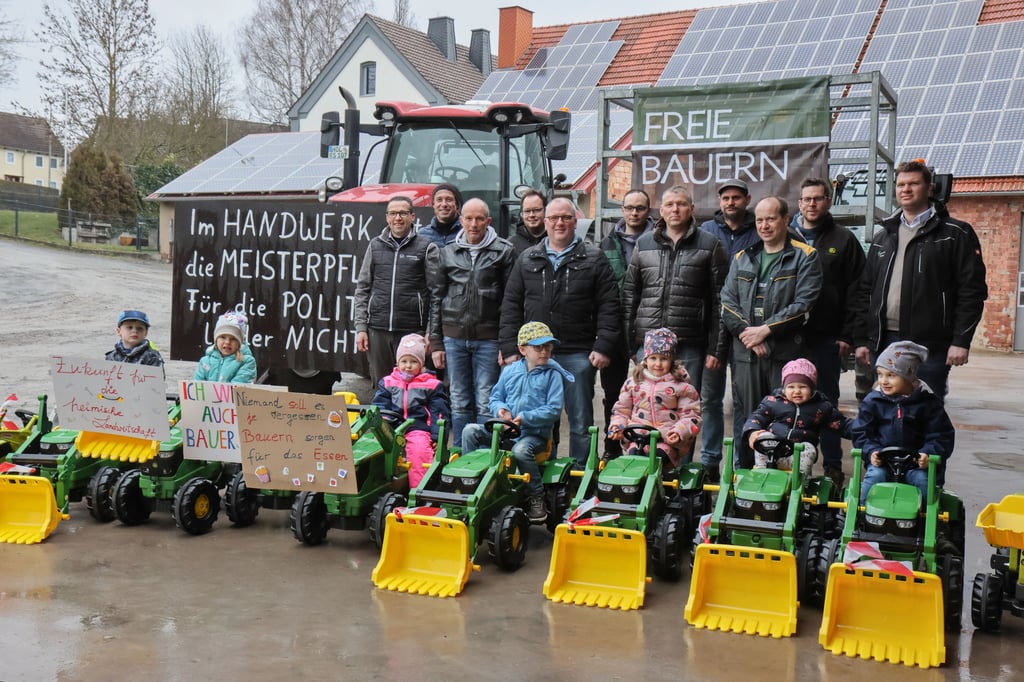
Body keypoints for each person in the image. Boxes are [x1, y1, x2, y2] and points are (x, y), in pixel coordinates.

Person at [500, 197, 620, 467]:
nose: (559, 223)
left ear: (575, 222)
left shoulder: (594, 258)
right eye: (553, 218)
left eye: (566, 217)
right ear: (545, 222)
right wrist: (509, 347)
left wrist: (603, 346)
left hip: (577, 353)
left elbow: (610, 305)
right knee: (540, 419)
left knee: (580, 420)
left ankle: (580, 473)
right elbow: (510, 304)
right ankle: (544, 468)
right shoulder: (527, 258)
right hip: (535, 356)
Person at [853, 159, 987, 402]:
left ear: (929, 188)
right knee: (884, 415)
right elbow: (866, 291)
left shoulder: (955, 234)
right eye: (901, 184)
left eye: (913, 183)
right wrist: (862, 340)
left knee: (926, 414)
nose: (906, 189)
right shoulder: (883, 237)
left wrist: (961, 341)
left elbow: (972, 291)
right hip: (884, 340)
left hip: (931, 346)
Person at [720, 196, 822, 468]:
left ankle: (785, 481)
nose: (764, 225)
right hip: (746, 354)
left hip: (785, 354)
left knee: (787, 417)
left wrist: (765, 331)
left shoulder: (805, 256)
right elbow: (727, 304)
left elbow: (803, 305)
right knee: (748, 419)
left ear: (786, 219)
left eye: (771, 218)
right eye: (760, 220)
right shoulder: (742, 257)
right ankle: (743, 476)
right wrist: (750, 337)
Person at [788, 177, 865, 489]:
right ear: (799, 203)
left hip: (827, 338)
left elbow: (858, 292)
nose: (811, 204)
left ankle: (833, 469)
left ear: (828, 201)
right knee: (791, 402)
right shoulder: (786, 236)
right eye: (806, 199)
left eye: (818, 198)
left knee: (827, 404)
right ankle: (794, 466)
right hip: (790, 338)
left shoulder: (844, 240)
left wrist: (848, 334)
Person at [461, 322, 574, 523]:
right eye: (538, 347)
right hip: (506, 430)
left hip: (535, 436)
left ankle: (536, 496)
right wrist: (501, 410)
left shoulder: (553, 375)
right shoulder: (510, 371)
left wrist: (525, 417)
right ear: (523, 349)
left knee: (521, 450)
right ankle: (470, 480)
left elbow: (554, 409)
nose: (545, 351)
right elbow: (495, 397)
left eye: (548, 346)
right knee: (470, 430)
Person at [623, 184, 728, 400]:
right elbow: (630, 295)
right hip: (649, 343)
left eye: (681, 204)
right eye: (669, 205)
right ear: (661, 210)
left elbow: (721, 301)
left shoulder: (710, 244)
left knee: (685, 407)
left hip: (689, 344)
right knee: (648, 404)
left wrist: (716, 349)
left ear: (692, 208)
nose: (675, 209)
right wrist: (630, 343)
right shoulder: (644, 244)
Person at [427, 198, 516, 446]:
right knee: (458, 397)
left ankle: (485, 452)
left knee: (486, 398)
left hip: (489, 339)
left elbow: (511, 301)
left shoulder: (504, 251)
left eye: (479, 219)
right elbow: (436, 298)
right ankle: (460, 452)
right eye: (468, 218)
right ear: (461, 219)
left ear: (488, 221)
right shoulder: (447, 253)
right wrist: (436, 342)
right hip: (453, 338)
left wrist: (506, 343)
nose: (474, 224)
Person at [698, 179, 760, 480]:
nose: (731, 202)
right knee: (709, 399)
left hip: (748, 329)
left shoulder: (759, 229)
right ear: (719, 201)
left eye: (736, 197)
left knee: (742, 403)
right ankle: (710, 462)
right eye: (726, 198)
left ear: (747, 199)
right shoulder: (707, 232)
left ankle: (740, 465)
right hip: (713, 327)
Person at [851, 340, 954, 504]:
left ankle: (927, 520)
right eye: (880, 374)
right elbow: (861, 432)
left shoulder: (927, 403)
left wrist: (928, 453)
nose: (884, 381)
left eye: (891, 375)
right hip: (883, 463)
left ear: (909, 375)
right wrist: (872, 452)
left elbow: (941, 435)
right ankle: (858, 516)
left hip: (916, 465)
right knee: (874, 478)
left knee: (923, 482)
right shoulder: (873, 402)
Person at [353, 196, 439, 386]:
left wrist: (430, 332)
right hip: (378, 330)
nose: (397, 218)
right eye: (393, 213)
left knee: (411, 388)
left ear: (412, 217)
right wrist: (361, 328)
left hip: (411, 331)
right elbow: (363, 288)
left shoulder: (426, 248)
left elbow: (436, 294)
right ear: (387, 218)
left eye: (403, 213)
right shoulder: (375, 245)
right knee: (383, 387)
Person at [598, 188, 655, 458]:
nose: (634, 213)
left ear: (648, 210)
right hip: (613, 329)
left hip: (647, 328)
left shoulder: (658, 240)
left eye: (640, 208)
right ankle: (611, 449)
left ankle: (646, 450)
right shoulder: (607, 244)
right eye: (629, 207)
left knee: (651, 394)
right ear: (622, 210)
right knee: (613, 394)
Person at [608, 328, 701, 470]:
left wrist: (678, 432)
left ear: (672, 360)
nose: (658, 364)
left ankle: (663, 489)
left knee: (657, 461)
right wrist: (617, 426)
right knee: (632, 463)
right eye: (653, 358)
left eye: (663, 359)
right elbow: (621, 410)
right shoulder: (633, 383)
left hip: (666, 441)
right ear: (645, 360)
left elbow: (691, 416)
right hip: (637, 438)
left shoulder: (682, 387)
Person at [741, 358, 850, 478]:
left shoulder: (821, 407)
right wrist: (752, 431)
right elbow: (757, 417)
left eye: (802, 387)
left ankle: (800, 479)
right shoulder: (773, 402)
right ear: (784, 388)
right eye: (791, 387)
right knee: (762, 436)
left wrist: (862, 428)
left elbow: (840, 424)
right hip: (774, 453)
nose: (797, 391)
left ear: (812, 388)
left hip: (799, 457)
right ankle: (761, 473)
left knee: (808, 448)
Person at [372, 333, 450, 488]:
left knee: (419, 452)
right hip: (392, 428)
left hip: (417, 428)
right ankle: (378, 486)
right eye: (404, 361)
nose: (408, 366)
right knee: (374, 449)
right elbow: (380, 406)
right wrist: (382, 426)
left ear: (421, 364)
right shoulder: (388, 382)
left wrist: (437, 437)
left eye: (413, 362)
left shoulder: (431, 385)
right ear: (397, 362)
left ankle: (419, 490)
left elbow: (439, 413)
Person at [193, 311, 257, 384]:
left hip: (230, 395)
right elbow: (197, 385)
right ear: (216, 340)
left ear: (239, 343)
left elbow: (238, 387)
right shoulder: (205, 361)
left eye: (233, 339)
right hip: (209, 395)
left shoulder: (246, 362)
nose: (227, 342)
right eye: (223, 337)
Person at [416, 183, 463, 248]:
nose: (444, 204)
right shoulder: (422, 235)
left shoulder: (466, 233)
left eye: (449, 200)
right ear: (433, 205)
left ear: (457, 205)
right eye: (439, 200)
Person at [509, 190, 547, 255]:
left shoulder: (556, 241)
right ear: (522, 214)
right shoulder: (510, 246)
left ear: (546, 211)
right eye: (527, 211)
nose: (531, 215)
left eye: (537, 210)